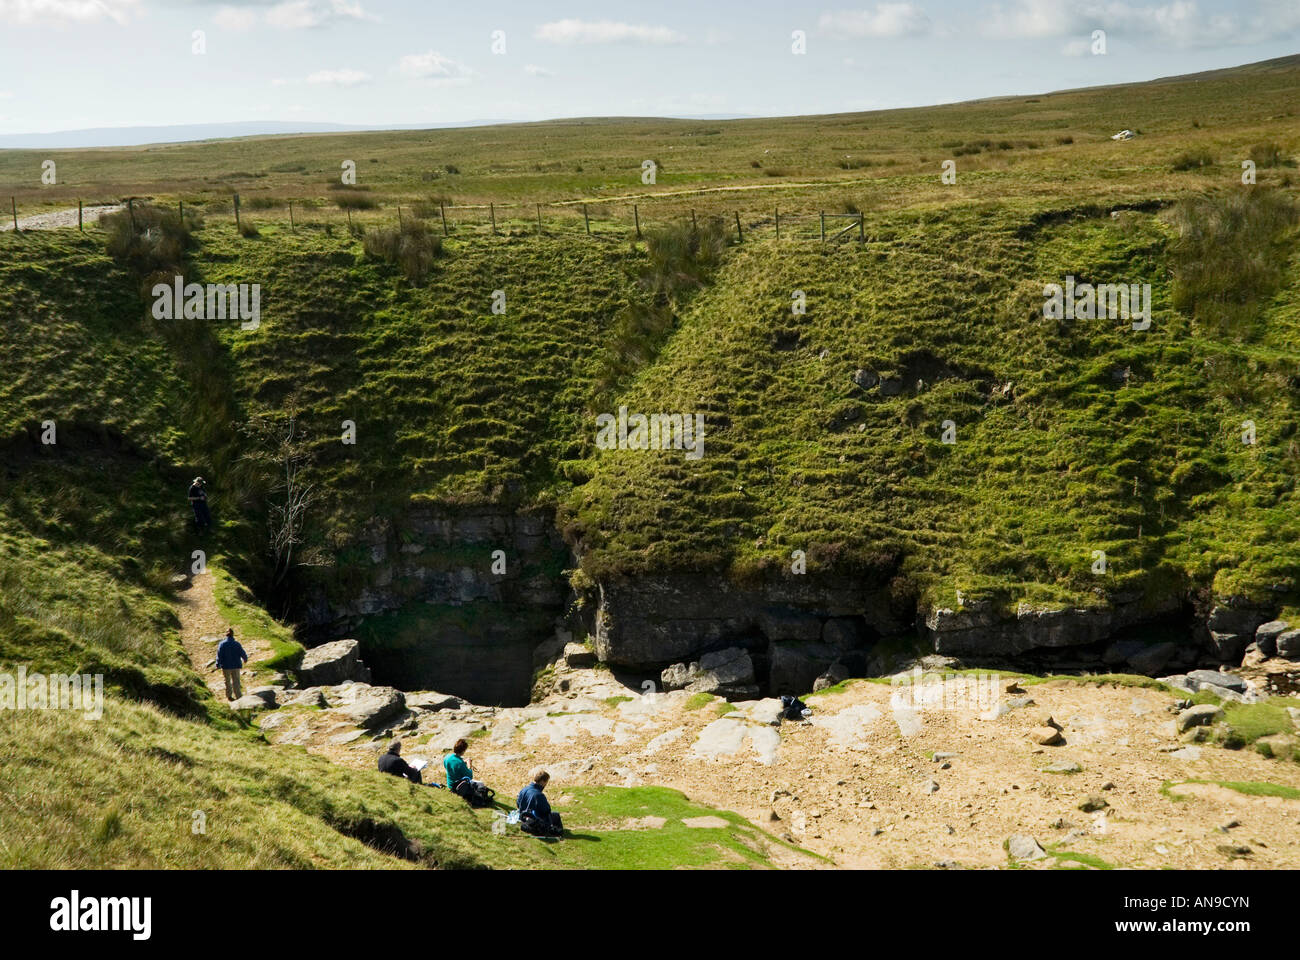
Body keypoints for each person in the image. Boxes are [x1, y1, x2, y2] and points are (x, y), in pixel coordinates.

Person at [443, 738, 493, 806]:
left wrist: (463, 762)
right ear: (463, 751)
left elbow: (449, 765)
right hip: (458, 787)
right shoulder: (460, 763)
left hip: (450, 784)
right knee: (481, 784)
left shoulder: (447, 757)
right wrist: (469, 764)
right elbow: (469, 776)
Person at [516, 768, 563, 836]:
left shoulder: (524, 789)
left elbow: (518, 803)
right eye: (546, 782)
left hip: (522, 816)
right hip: (533, 820)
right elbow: (546, 810)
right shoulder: (539, 795)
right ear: (542, 781)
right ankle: (557, 832)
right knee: (556, 815)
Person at [215, 628, 247, 701]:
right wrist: (245, 658)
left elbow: (219, 655)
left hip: (226, 666)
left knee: (227, 681)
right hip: (236, 665)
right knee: (236, 681)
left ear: (226, 635)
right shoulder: (237, 644)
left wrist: (218, 664)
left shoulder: (222, 644)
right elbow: (242, 653)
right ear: (233, 635)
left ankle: (229, 696)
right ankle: (238, 696)